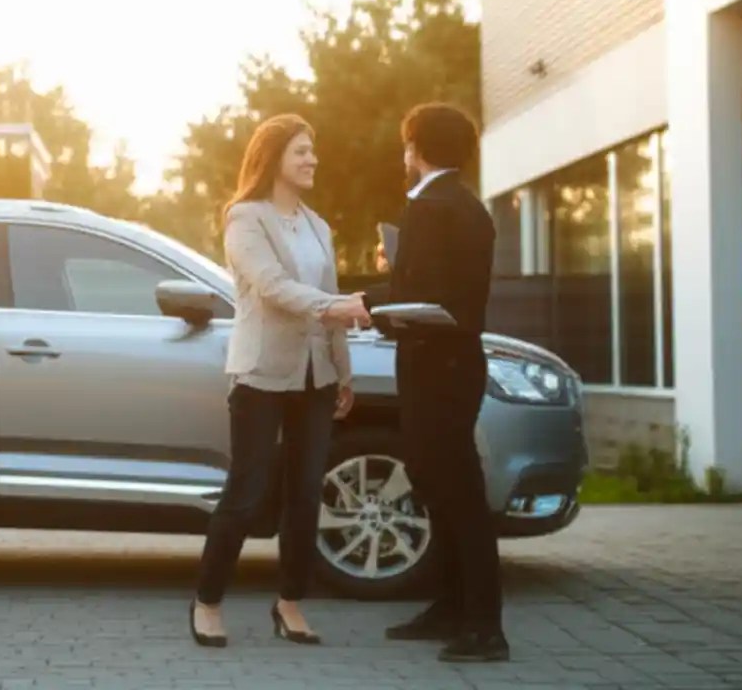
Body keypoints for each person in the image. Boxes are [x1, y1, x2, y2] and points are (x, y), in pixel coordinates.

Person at [190, 114, 370, 648]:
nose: (312, 159)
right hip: (262, 372)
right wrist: (338, 306)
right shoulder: (245, 218)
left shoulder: (319, 226)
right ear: (273, 158)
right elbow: (272, 288)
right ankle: (207, 601)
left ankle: (289, 602)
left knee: (306, 494)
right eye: (301, 152)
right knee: (246, 494)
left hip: (316, 376)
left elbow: (329, 301)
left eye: (312, 151)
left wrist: (343, 370)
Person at [369, 103, 508, 663]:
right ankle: (452, 607)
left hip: (437, 367)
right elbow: (439, 282)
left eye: (407, 145)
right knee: (441, 485)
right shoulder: (465, 205)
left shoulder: (430, 206)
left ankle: (484, 627)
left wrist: (363, 304)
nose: (404, 156)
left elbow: (422, 299)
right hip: (453, 365)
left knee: (457, 494)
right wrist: (396, 272)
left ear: (418, 148)